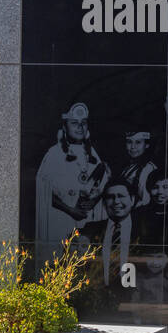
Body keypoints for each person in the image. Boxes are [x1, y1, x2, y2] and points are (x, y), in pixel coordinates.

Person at [35, 102, 110, 264]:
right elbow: (43, 192)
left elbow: (103, 187)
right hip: (61, 223)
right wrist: (70, 209)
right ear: (65, 126)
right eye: (74, 123)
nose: (80, 127)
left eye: (83, 123)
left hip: (87, 228)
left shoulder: (94, 154)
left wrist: (93, 201)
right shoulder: (54, 154)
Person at [79, 181, 143, 291]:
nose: (116, 201)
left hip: (135, 296)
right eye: (110, 197)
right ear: (104, 203)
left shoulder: (143, 230)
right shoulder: (90, 230)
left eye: (121, 196)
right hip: (98, 296)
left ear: (132, 200)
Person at [115, 130, 157, 207]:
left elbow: (146, 202)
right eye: (129, 142)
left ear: (147, 145)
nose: (133, 147)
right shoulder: (128, 167)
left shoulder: (148, 169)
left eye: (138, 142)